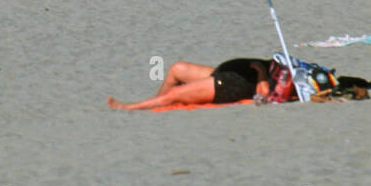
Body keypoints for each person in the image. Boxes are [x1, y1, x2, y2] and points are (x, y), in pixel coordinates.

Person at [108, 56, 274, 110]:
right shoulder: (281, 64)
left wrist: (261, 72)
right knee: (177, 68)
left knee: (174, 95)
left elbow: (262, 94)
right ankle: (155, 103)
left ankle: (129, 107)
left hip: (230, 86)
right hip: (224, 74)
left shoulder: (281, 78)